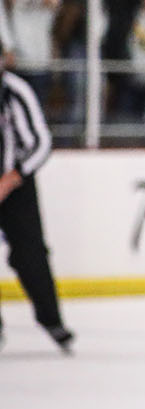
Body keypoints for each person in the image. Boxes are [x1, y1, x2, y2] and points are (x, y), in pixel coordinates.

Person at [1, 46, 73, 353]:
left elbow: (41, 142)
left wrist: (13, 177)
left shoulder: (15, 91)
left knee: (31, 254)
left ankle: (51, 320)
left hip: (15, 184)